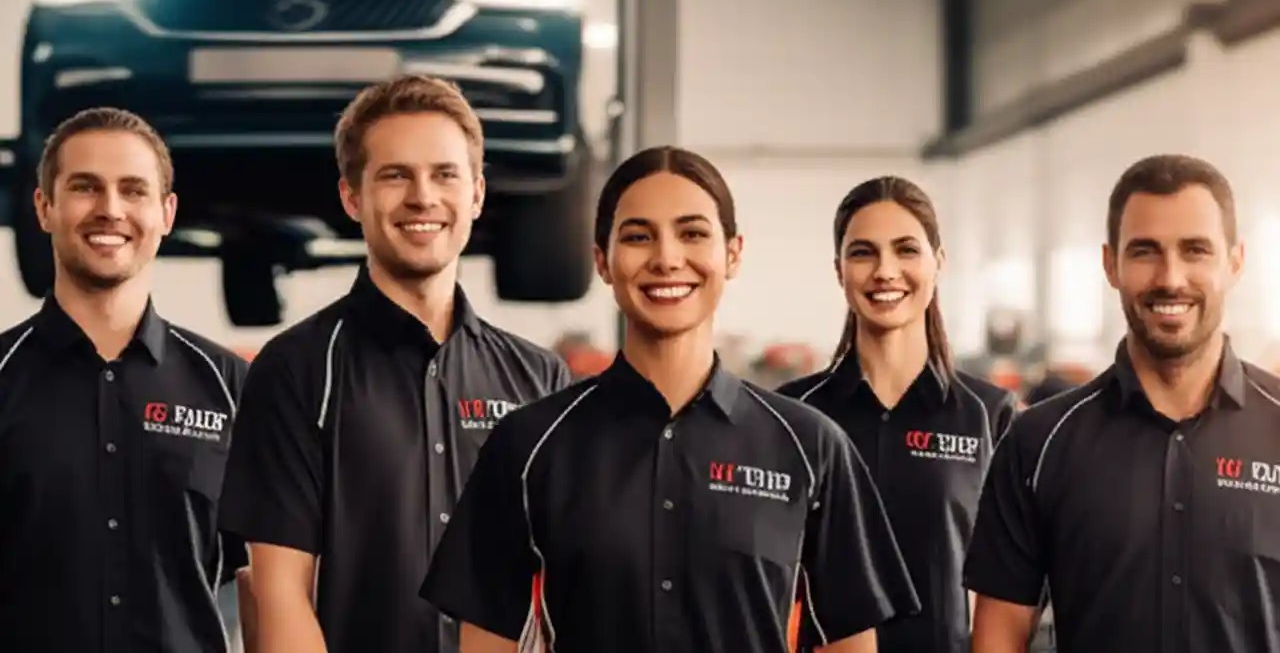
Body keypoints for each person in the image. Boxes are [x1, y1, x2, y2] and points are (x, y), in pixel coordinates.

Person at [420, 145, 922, 653]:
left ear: (733, 254)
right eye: (638, 237)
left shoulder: (812, 448)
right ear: (603, 260)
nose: (666, 259)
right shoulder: (528, 445)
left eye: (693, 234)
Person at [216, 74, 571, 653]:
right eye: (395, 175)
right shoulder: (296, 370)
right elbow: (280, 598)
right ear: (352, 197)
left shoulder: (540, 379)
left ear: (477, 194)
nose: (422, 197)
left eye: (445, 174)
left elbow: (554, 590)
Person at [965, 154, 1280, 652]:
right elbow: (999, 632)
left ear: (1235, 262)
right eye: (1145, 251)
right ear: (1111, 264)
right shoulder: (1039, 443)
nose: (1171, 277)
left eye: (1195, 250)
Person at [0, 107, 248, 652]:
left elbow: (263, 583)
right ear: (44, 207)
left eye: (133, 190)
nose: (110, 209)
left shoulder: (233, 387)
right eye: (85, 187)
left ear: (166, 212)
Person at [777, 176, 1019, 653]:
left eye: (906, 250)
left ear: (938, 262)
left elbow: (1014, 587)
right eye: (863, 253)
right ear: (839, 270)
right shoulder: (794, 415)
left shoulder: (989, 416)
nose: (885, 271)